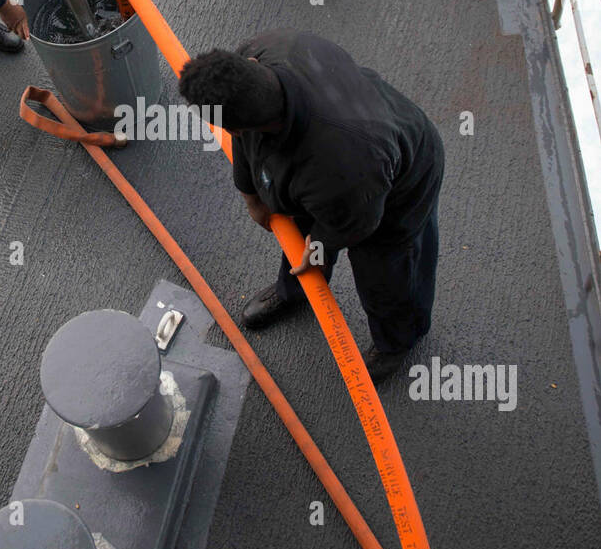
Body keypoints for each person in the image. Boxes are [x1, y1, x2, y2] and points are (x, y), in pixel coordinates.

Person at [178, 30, 444, 383]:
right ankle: (297, 291)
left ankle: (397, 340)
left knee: (384, 273)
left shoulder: (344, 165)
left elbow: (355, 225)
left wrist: (318, 246)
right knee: (298, 239)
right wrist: (251, 196)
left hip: (394, 184)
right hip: (328, 176)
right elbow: (243, 134)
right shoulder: (256, 60)